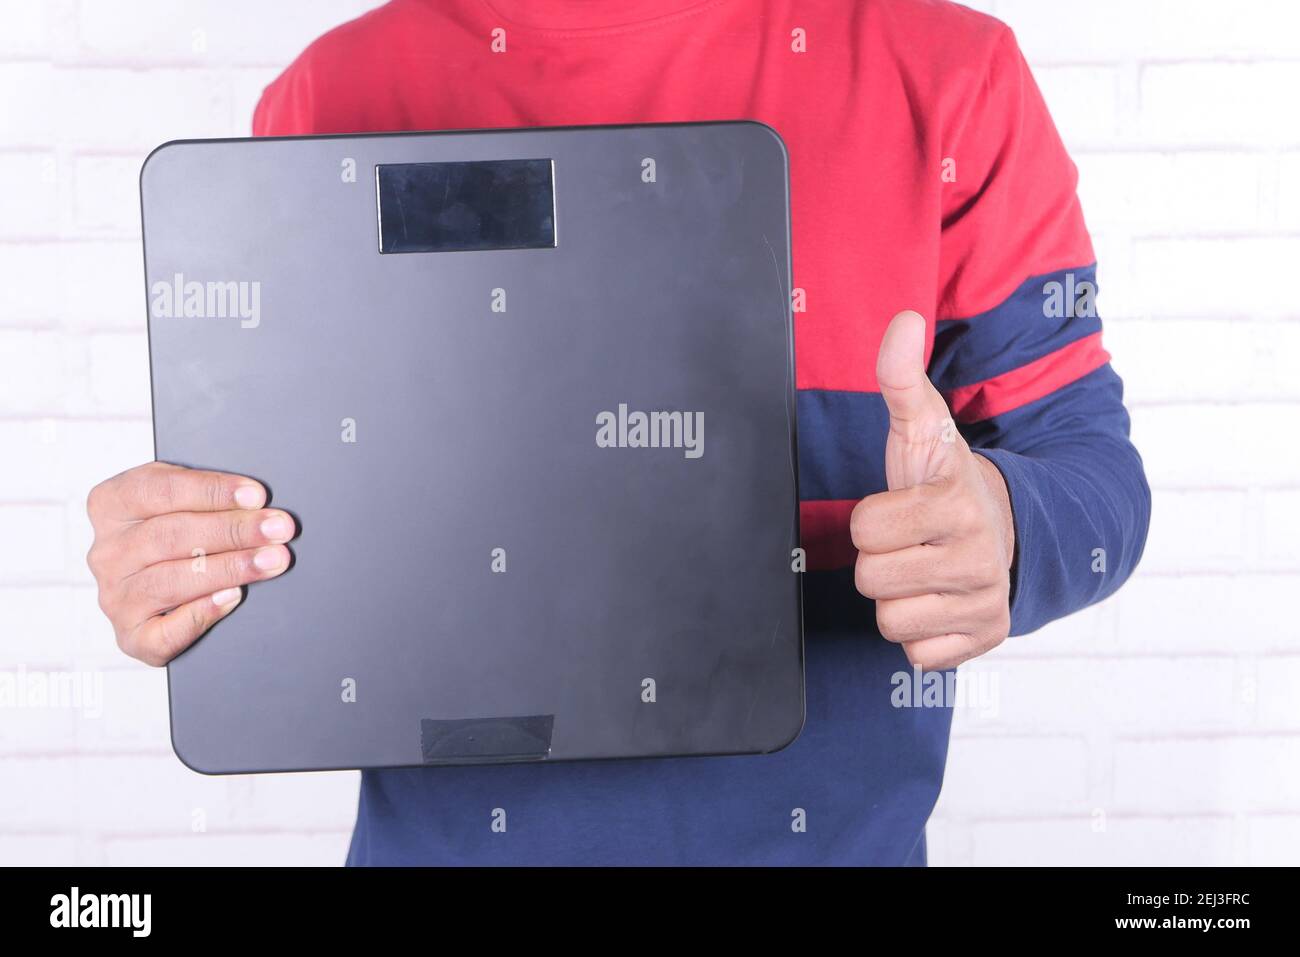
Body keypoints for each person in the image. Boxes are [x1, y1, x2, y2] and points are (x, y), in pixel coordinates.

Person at [86, 0, 1150, 865]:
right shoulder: (329, 93)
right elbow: (297, 535)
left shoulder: (951, 74)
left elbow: (1092, 471)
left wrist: (1005, 531)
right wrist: (183, 568)